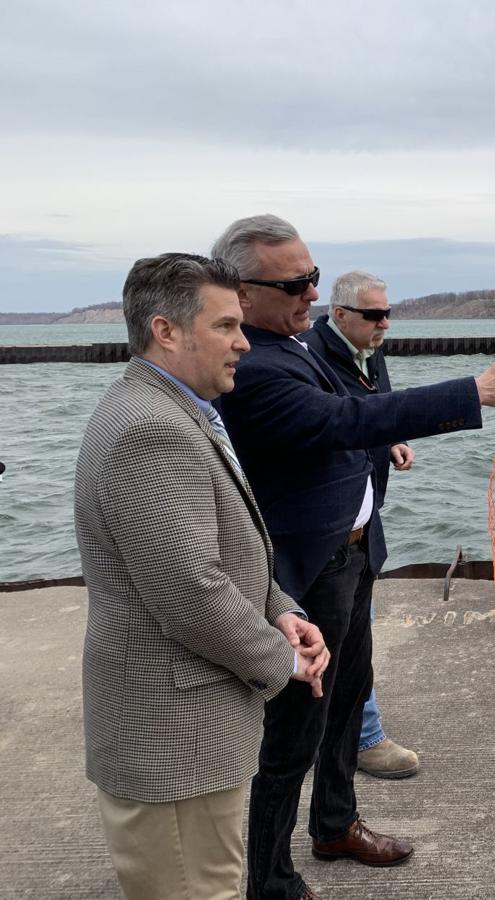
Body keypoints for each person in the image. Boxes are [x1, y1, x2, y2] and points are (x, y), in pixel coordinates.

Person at [211, 214, 495, 900]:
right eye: (295, 284)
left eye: (313, 279)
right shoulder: (252, 363)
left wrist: (385, 444)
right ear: (240, 290)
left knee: (346, 702)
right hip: (307, 571)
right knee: (294, 730)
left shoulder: (297, 341)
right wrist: (472, 394)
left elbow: (354, 408)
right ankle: (270, 879)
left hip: (352, 557)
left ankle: (336, 824)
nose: (309, 295)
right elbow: (335, 420)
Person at [74, 253, 330, 900]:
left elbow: (221, 551)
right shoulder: (149, 429)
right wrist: (283, 660)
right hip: (175, 741)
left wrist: (281, 610)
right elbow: (191, 592)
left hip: (187, 734)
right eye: (225, 327)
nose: (244, 342)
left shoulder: (173, 409)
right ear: (167, 331)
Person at [303, 270, 418, 780]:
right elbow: (329, 425)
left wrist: (389, 440)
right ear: (341, 314)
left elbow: (373, 415)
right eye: (374, 315)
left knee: (352, 636)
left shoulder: (371, 351)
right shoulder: (309, 357)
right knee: (339, 638)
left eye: (388, 313)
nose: (385, 324)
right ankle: (362, 738)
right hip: (325, 529)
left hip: (364, 521)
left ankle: (345, 739)